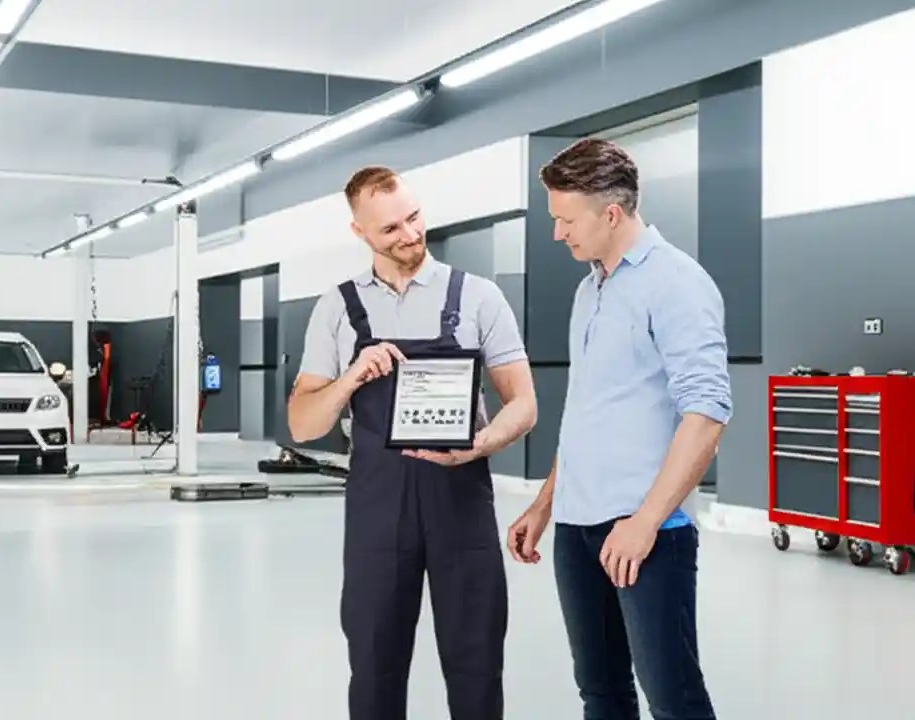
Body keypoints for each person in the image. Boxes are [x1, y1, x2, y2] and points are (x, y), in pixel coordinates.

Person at [288, 166, 537, 720]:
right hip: (379, 509)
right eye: (390, 229)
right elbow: (303, 424)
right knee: (375, 666)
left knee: (476, 667)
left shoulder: (478, 297)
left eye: (414, 217)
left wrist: (481, 443)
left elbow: (525, 403)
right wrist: (350, 378)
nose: (409, 235)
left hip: (462, 502)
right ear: (360, 233)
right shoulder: (337, 307)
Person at [506, 138, 731, 720]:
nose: (558, 233)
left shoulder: (678, 283)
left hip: (646, 533)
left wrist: (645, 522)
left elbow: (706, 415)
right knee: (601, 692)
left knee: (674, 699)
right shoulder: (591, 288)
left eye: (565, 219)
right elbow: (587, 411)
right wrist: (545, 503)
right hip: (578, 529)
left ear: (611, 213)